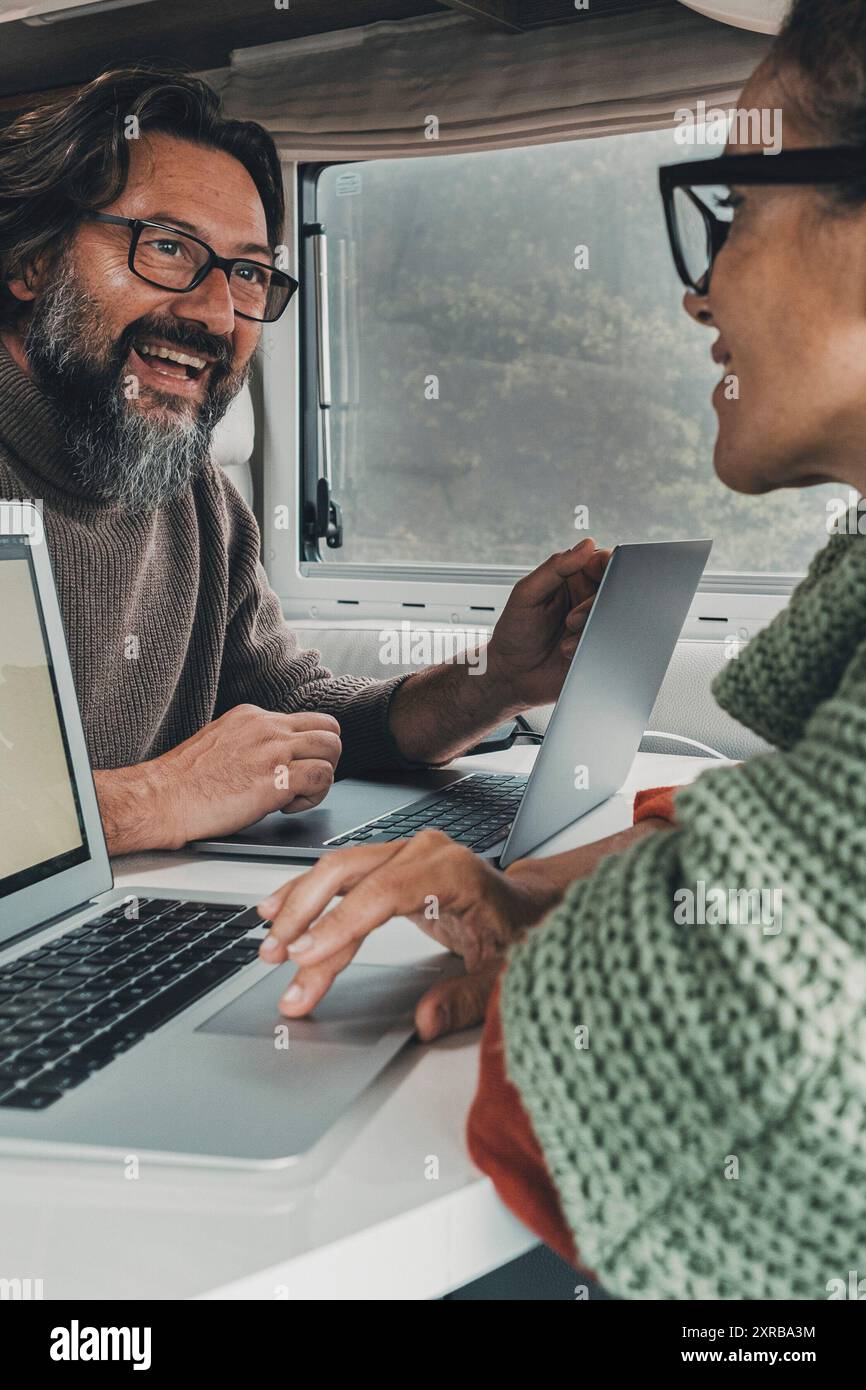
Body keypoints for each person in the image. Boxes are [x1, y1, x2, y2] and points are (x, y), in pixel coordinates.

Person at [256, 0, 866, 1299]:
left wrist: (489, 698)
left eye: (731, 211)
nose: (700, 285)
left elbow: (710, 1068)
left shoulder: (190, 510)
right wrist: (523, 892)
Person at [0, 67, 609, 856]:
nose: (217, 313)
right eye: (168, 248)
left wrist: (494, 682)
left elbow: (306, 716)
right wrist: (157, 797)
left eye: (247, 273)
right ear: (30, 261)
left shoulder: (196, 498)